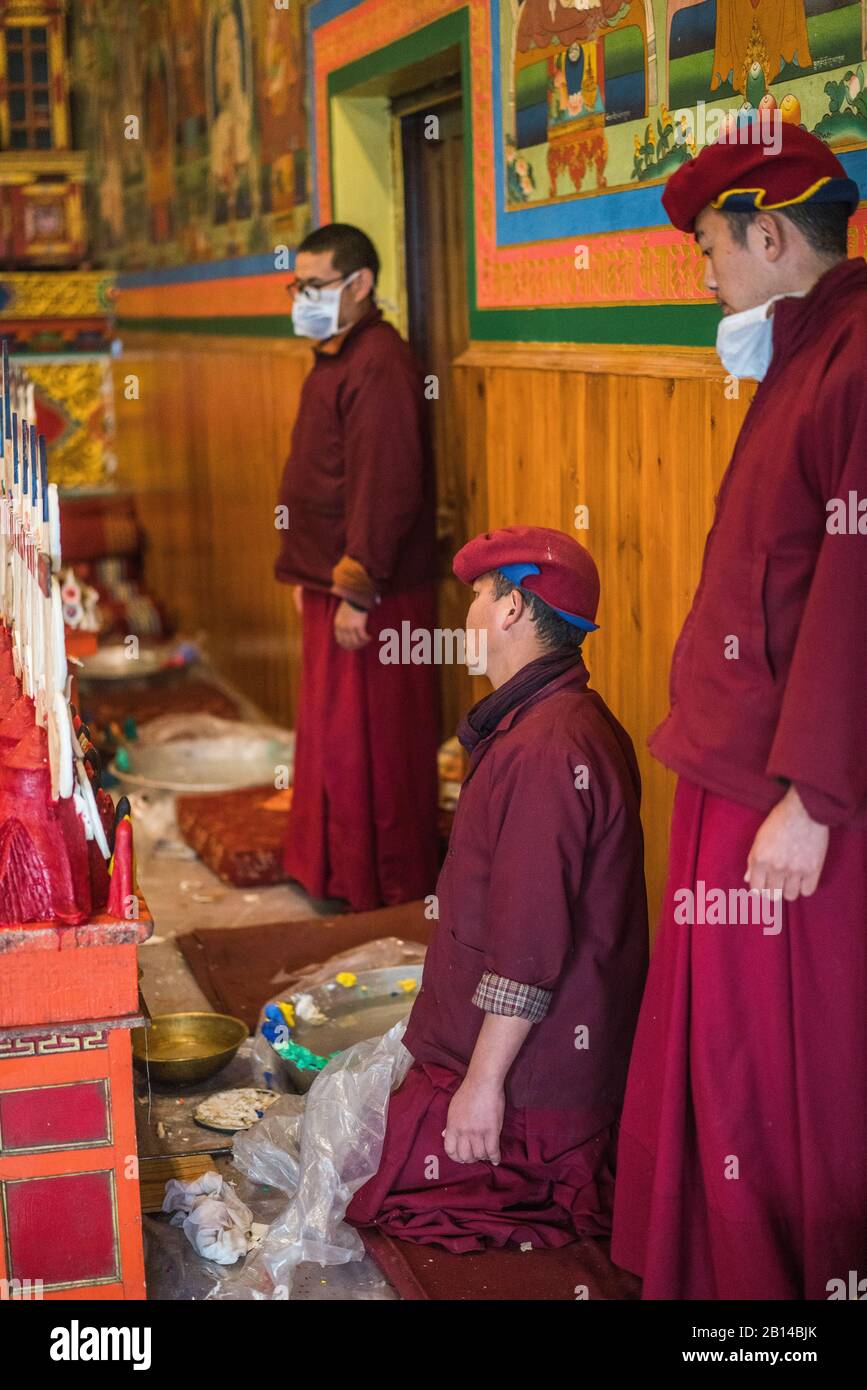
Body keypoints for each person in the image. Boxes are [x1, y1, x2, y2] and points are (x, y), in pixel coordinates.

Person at [611, 121, 867, 1299]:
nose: (705, 275)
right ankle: (719, 1273)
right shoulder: (801, 352)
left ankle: (779, 1286)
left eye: (709, 247)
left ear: (768, 233)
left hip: (796, 796)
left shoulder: (858, 357)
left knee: (778, 1064)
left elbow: (856, 595)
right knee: (719, 1044)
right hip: (735, 765)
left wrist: (813, 794)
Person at [346, 526, 648, 1250]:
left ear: (512, 609)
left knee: (376, 1191)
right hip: (521, 1048)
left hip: (538, 1087)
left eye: (477, 597)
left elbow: (529, 945)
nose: (467, 619)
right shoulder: (554, 720)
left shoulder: (546, 751)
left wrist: (482, 1089)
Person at [275, 223, 439, 911]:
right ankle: (338, 872)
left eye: (313, 287)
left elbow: (386, 483)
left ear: (359, 285)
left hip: (372, 594)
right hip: (329, 580)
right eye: (298, 287)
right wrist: (308, 577)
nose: (302, 300)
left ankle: (385, 883)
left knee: (371, 748)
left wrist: (354, 586)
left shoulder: (381, 362)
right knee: (331, 741)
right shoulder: (336, 355)